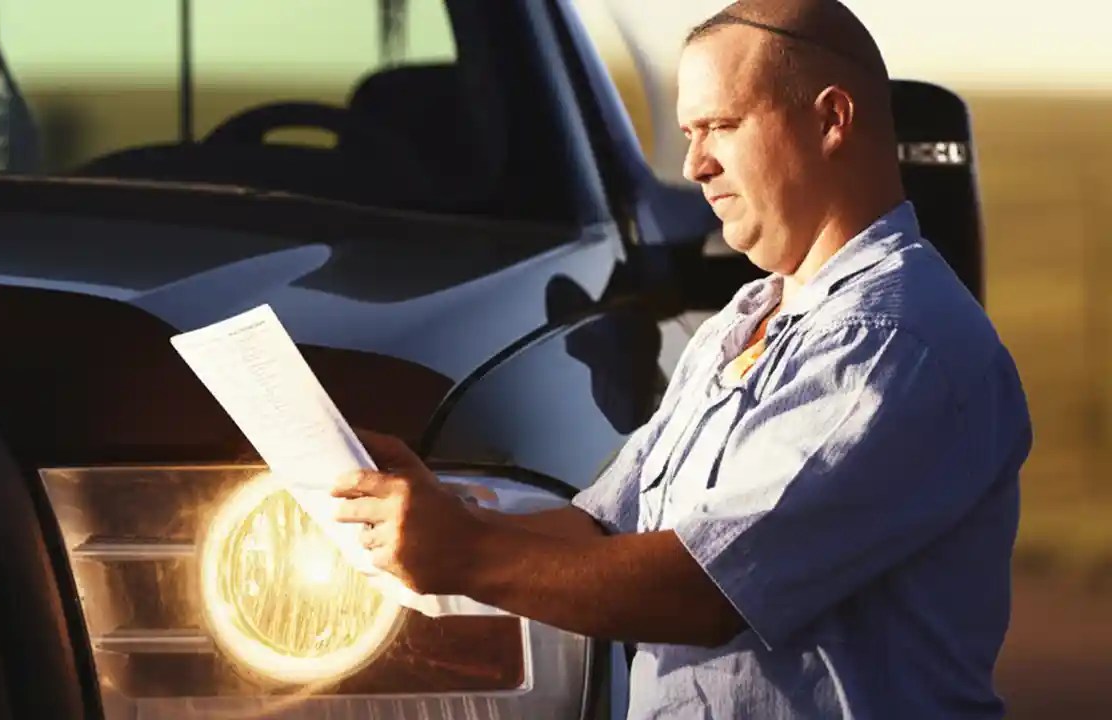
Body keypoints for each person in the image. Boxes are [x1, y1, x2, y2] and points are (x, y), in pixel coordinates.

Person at [332, 0, 1032, 717]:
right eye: (692, 132)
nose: (696, 165)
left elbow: (701, 591)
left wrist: (465, 556)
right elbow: (606, 531)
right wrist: (433, 511)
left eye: (721, 127)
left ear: (830, 120)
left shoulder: (890, 341)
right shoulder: (742, 323)